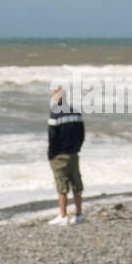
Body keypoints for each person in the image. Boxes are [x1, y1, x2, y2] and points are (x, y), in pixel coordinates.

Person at [47, 85, 84, 225]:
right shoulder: (75, 112)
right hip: (74, 153)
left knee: (61, 186)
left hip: (59, 155)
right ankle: (79, 214)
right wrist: (77, 148)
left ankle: (63, 215)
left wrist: (51, 154)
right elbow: (82, 133)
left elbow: (52, 137)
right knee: (76, 184)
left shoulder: (55, 113)